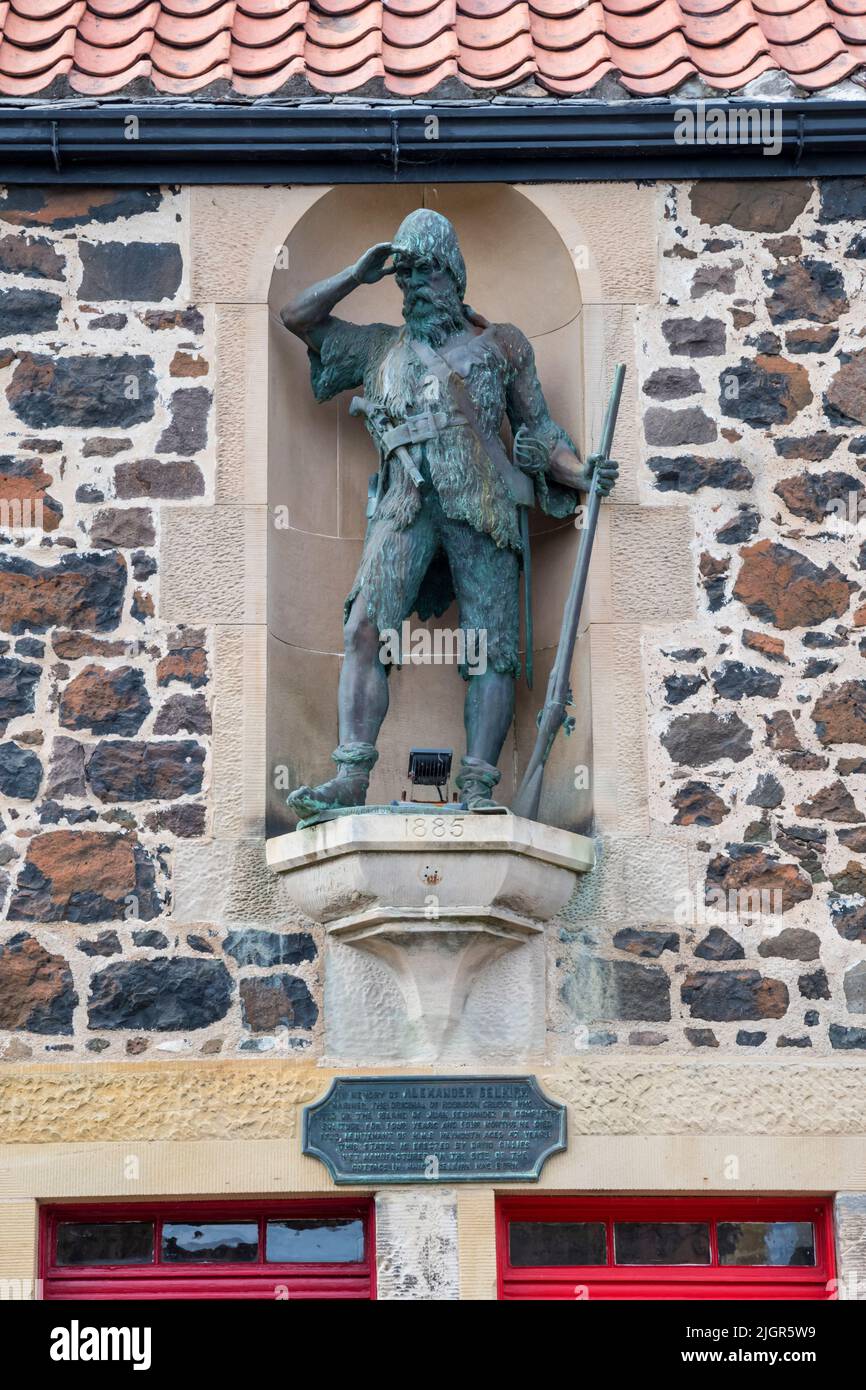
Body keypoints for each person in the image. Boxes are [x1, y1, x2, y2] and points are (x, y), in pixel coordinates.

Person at [280, 209, 617, 816]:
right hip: (404, 504)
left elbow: (539, 436)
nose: (416, 287)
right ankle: (351, 777)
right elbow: (297, 318)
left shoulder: (502, 345)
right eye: (406, 276)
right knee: (362, 627)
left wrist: (581, 472)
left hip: (482, 507)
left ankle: (480, 787)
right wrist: (357, 275)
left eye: (428, 273)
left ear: (454, 275)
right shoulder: (379, 345)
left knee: (491, 648)